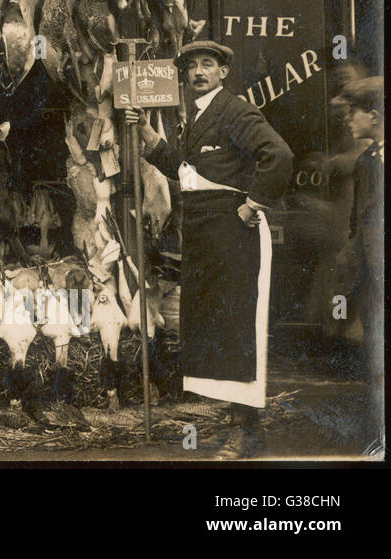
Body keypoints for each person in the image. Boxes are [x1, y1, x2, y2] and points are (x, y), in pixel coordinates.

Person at [129, 40, 293, 459]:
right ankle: (239, 422)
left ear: (223, 72)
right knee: (216, 327)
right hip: (204, 236)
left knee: (237, 324)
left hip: (233, 232)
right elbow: (187, 173)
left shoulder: (233, 109)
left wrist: (252, 204)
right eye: (192, 67)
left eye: (208, 64)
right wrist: (147, 133)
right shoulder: (197, 117)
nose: (199, 71)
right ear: (184, 76)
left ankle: (249, 431)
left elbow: (278, 155)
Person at [331, 75, 384, 454]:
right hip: (372, 277)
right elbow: (358, 219)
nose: (348, 120)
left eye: (353, 113)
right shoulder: (367, 160)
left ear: (376, 115)